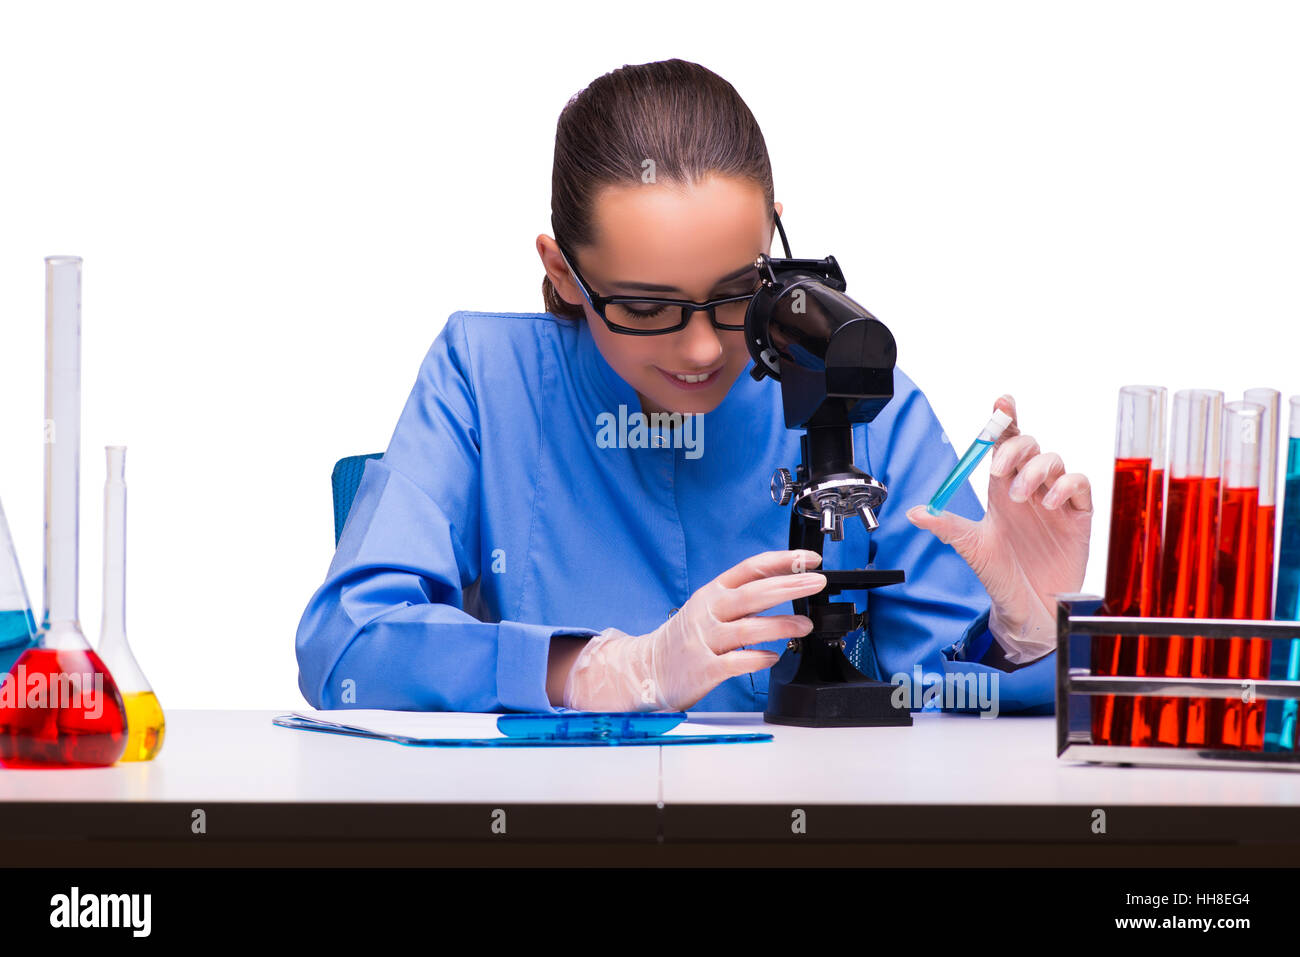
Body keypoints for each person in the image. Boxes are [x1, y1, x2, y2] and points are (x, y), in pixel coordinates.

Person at [295, 58, 1092, 716]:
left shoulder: (860, 398)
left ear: (774, 238)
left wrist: (1022, 632)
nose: (705, 346)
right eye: (646, 306)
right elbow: (349, 644)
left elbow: (940, 696)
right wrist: (602, 669)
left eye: (740, 290)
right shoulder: (485, 376)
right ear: (562, 272)